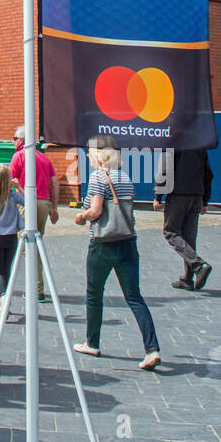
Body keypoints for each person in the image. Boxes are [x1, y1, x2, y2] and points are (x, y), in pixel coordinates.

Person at [74, 137, 160, 371]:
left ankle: (92, 343)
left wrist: (81, 217)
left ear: (99, 155)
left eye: (90, 152)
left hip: (103, 243)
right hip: (128, 242)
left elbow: (95, 211)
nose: (88, 156)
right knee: (134, 297)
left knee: (94, 293)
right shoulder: (124, 177)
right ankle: (152, 349)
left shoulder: (98, 177)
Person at [9, 128, 60, 300]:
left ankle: (35, 288)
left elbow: (10, 180)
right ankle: (37, 286)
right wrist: (54, 207)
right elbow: (54, 183)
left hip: (26, 202)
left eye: (14, 138)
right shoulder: (44, 158)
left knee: (26, 245)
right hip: (44, 202)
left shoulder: (19, 156)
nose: (13, 141)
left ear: (22, 140)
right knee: (36, 243)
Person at [153, 149, 213, 291]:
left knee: (170, 232)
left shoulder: (173, 144)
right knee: (189, 237)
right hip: (196, 196)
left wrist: (158, 196)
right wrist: (205, 201)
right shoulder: (200, 146)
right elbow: (208, 174)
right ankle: (188, 278)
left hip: (178, 194)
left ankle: (198, 265)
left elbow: (165, 171)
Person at [0, 164, 23, 300]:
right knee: (7, 269)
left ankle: (3, 296)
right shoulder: (13, 197)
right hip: (11, 237)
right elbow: (29, 202)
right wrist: (19, 187)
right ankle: (6, 298)